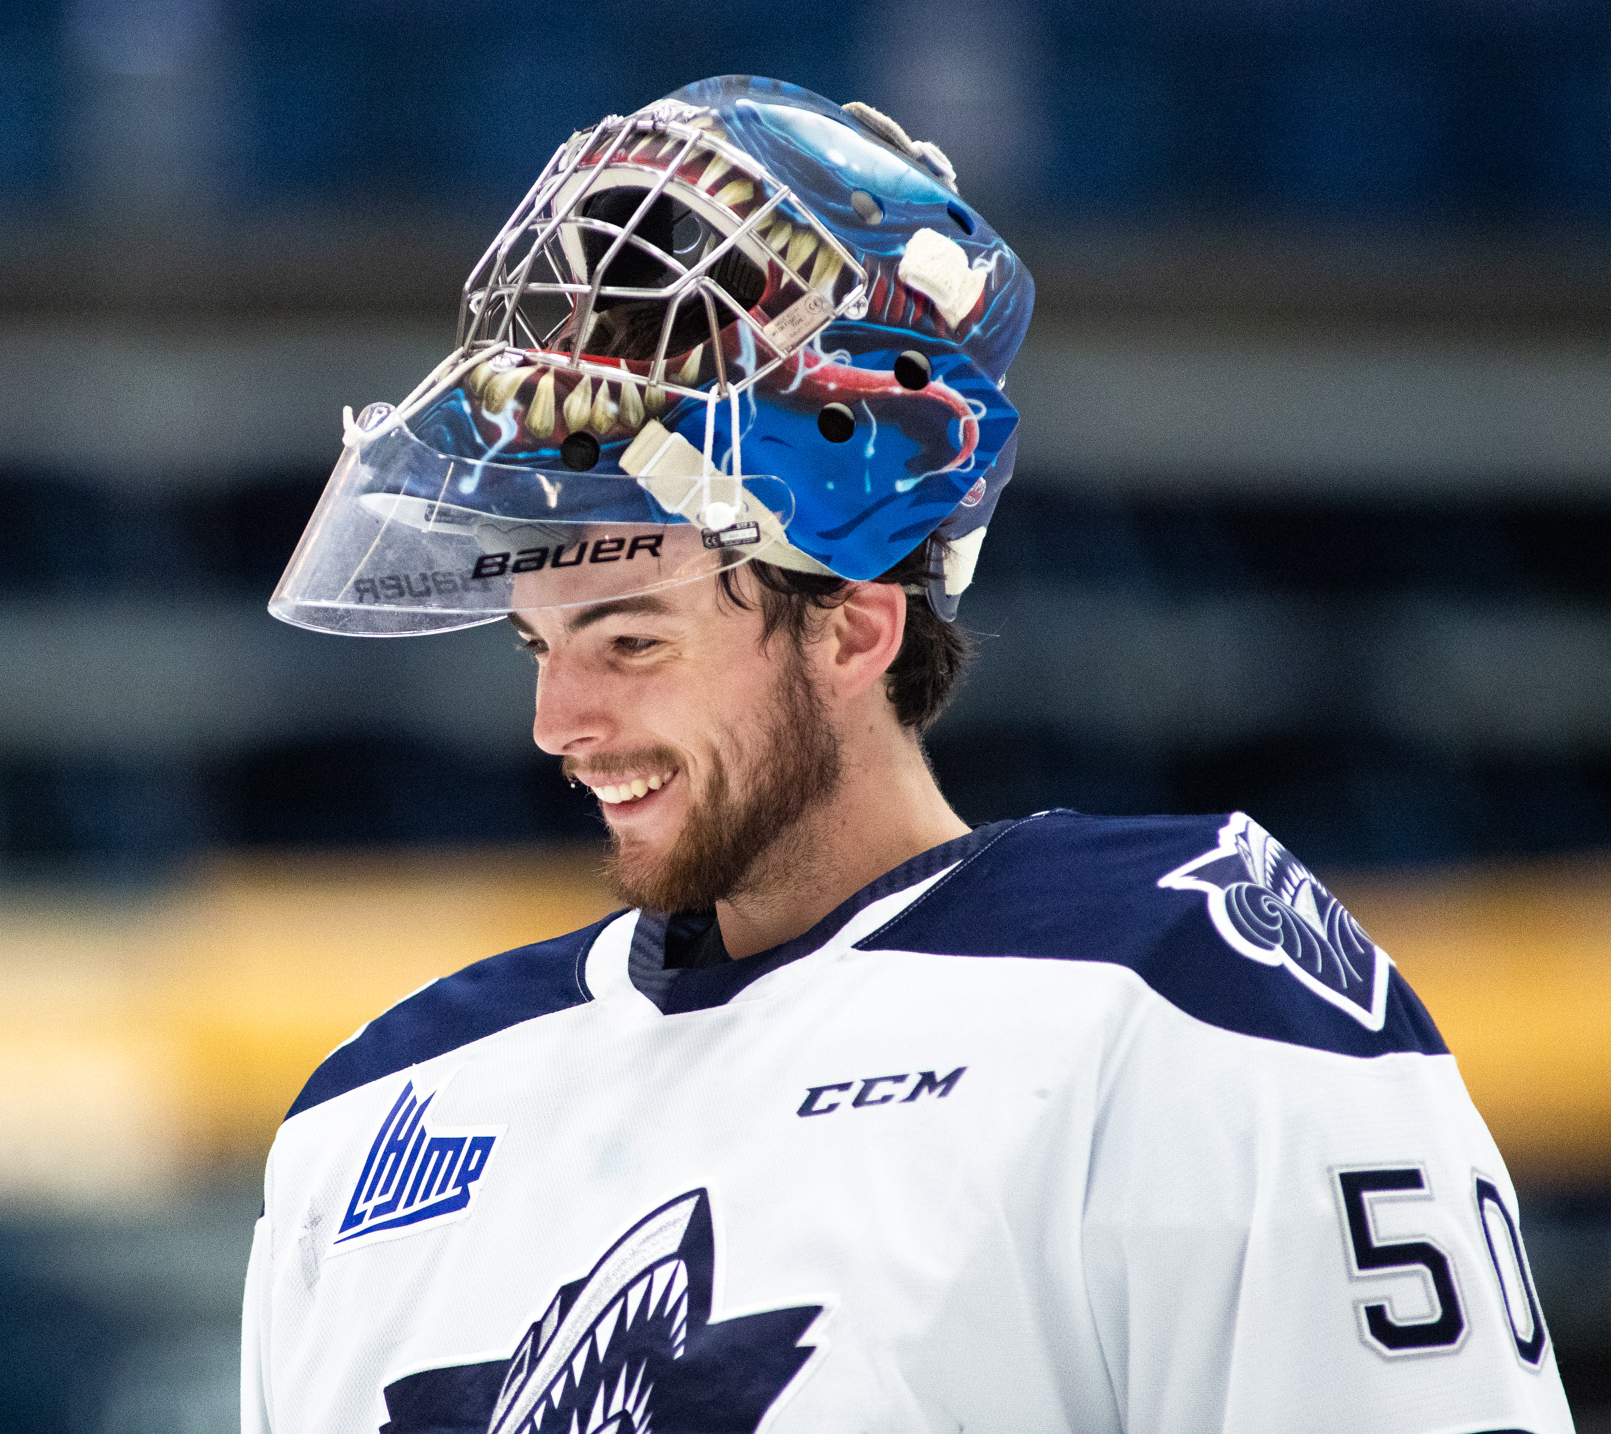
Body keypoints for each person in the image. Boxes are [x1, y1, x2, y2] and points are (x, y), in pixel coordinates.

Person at [247, 76, 1573, 1433]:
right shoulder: (375, 1114)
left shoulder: (1176, 997)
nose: (558, 724)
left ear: (854, 628)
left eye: (631, 640)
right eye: (538, 645)